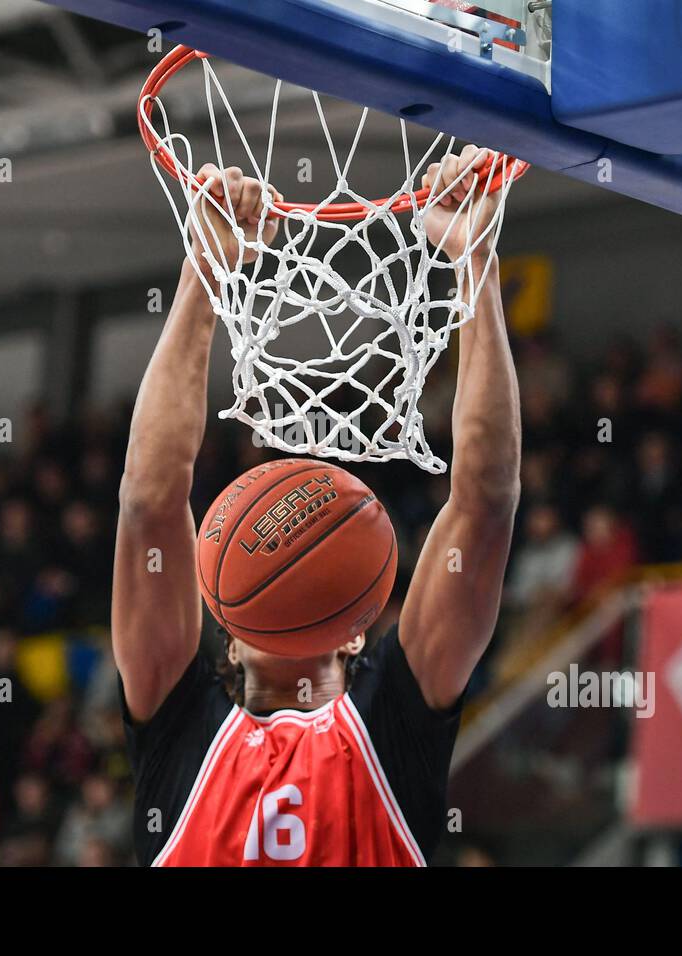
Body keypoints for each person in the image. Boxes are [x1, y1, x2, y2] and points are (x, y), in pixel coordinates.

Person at [112, 149, 522, 866]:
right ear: (229, 640)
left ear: (358, 631)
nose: (290, 567)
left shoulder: (393, 723)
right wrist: (202, 274)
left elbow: (485, 503)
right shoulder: (178, 736)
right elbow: (149, 503)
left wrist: (476, 263)